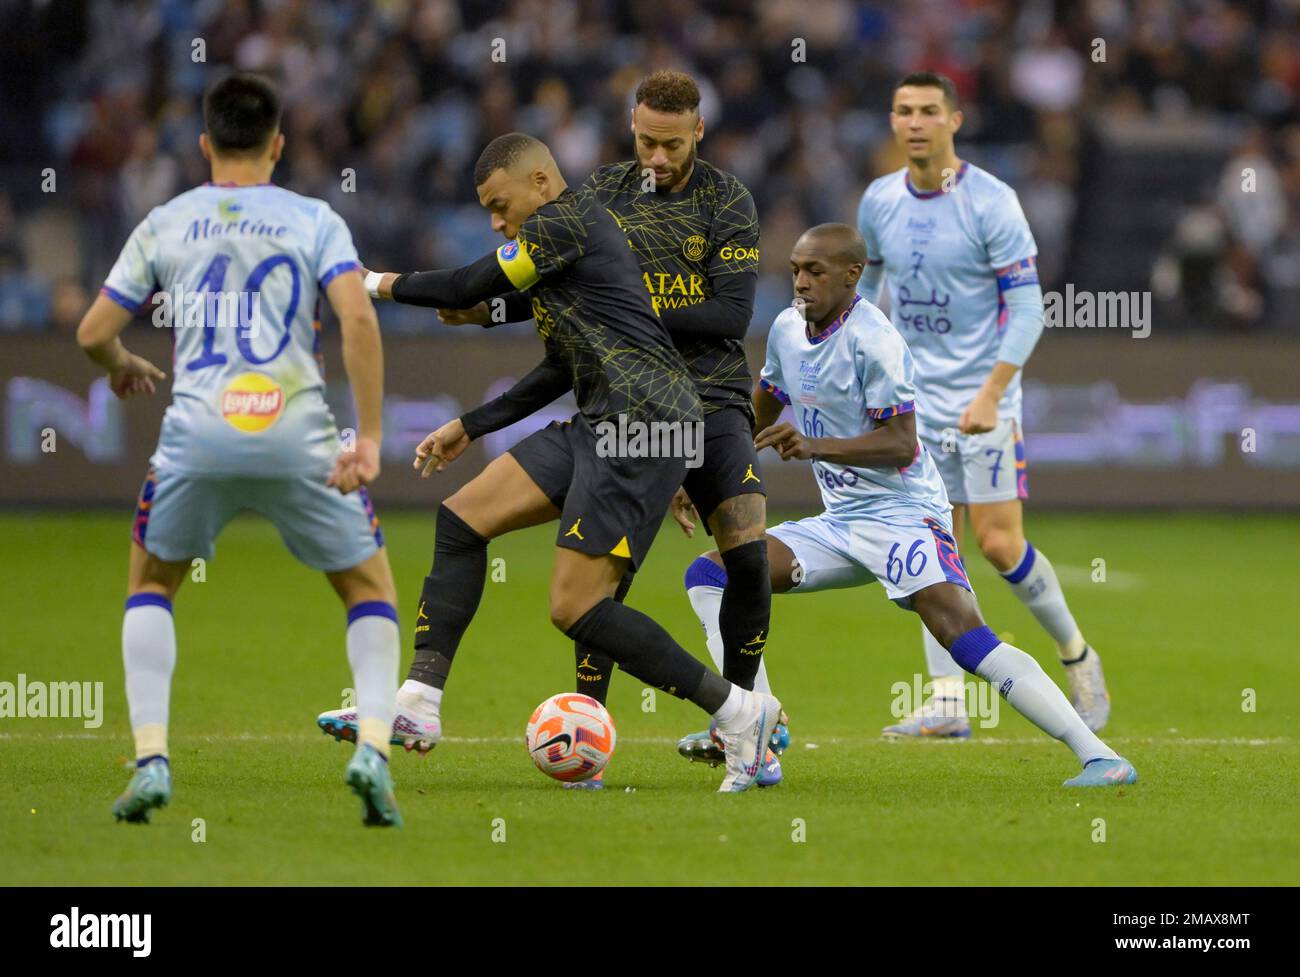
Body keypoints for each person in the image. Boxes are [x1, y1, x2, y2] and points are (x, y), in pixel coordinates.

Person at [317, 132, 782, 792]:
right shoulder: (564, 257)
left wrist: (365, 281)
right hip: (602, 420)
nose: (496, 221)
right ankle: (417, 702)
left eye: (499, 204)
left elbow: (468, 282)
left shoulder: (568, 218)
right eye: (487, 211)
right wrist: (468, 425)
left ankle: (740, 712)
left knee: (575, 606)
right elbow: (559, 366)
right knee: (462, 518)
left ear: (540, 182)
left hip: (646, 424)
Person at [682, 223, 1136, 787]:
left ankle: (1099, 755)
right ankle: (757, 728)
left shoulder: (875, 339)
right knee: (713, 574)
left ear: (852, 276)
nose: (800, 282)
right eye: (796, 269)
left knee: (966, 638)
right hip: (842, 521)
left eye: (815, 272)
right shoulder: (785, 329)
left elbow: (901, 443)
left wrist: (814, 444)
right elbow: (767, 399)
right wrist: (708, 472)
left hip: (905, 518)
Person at [76, 73, 402, 826]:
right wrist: (371, 437)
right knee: (368, 589)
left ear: (203, 145)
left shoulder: (167, 220)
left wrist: (121, 365)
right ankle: (373, 751)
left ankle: (153, 758)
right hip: (298, 432)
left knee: (152, 583)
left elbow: (92, 332)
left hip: (199, 434)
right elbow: (357, 319)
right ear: (279, 145)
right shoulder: (314, 218)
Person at [856, 72, 1111, 738]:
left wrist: (992, 394)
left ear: (955, 120)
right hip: (912, 407)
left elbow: (1028, 306)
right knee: (928, 548)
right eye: (904, 110)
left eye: (929, 111)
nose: (916, 122)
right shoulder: (879, 200)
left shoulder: (991, 202)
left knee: (999, 544)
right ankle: (947, 703)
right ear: (893, 120)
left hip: (981, 400)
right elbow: (871, 289)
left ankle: (1076, 653)